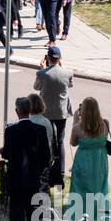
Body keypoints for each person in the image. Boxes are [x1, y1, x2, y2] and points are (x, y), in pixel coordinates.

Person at [0, 96, 53, 221]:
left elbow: (8, 153)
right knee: (32, 210)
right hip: (32, 176)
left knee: (16, 211)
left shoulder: (11, 130)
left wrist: (3, 151)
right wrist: (37, 169)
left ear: (17, 111)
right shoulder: (40, 130)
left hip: (16, 176)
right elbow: (46, 155)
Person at [66, 97, 111, 221]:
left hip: (83, 161)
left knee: (80, 191)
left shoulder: (78, 127)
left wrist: (76, 118)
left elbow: (73, 142)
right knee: (100, 191)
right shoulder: (105, 124)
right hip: (100, 161)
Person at [34, 45, 74, 190]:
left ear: (48, 58)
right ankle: (60, 173)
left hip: (46, 113)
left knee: (46, 141)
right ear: (60, 59)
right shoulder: (68, 72)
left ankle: (47, 171)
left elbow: (36, 87)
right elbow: (70, 85)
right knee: (60, 142)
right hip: (61, 112)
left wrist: (41, 69)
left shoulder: (42, 74)